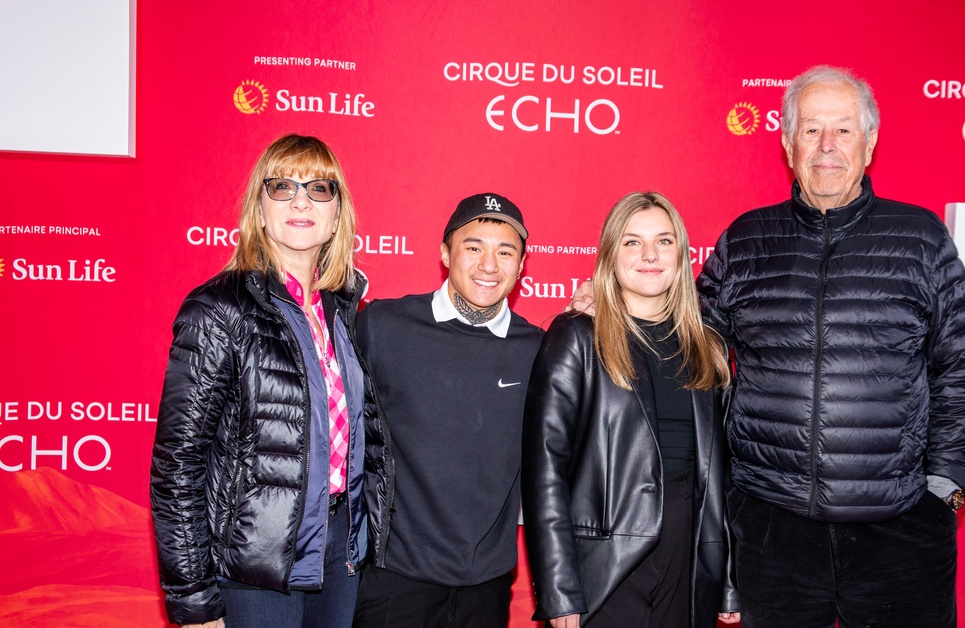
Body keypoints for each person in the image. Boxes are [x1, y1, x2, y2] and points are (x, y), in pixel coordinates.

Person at [694, 65, 965, 627]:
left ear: (869, 143)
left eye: (844, 130)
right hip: (773, 526)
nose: (827, 145)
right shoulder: (746, 240)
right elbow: (691, 341)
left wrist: (943, 488)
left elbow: (959, 366)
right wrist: (611, 302)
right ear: (788, 144)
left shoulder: (921, 239)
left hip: (900, 525)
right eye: (811, 129)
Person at [150, 134, 392, 628]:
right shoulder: (218, 309)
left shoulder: (343, 309)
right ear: (259, 211)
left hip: (339, 553)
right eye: (282, 186)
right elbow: (178, 465)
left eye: (319, 188)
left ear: (336, 215)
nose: (301, 201)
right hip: (253, 564)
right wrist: (193, 598)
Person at [524, 192, 741, 628]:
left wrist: (728, 581)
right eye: (632, 242)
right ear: (610, 254)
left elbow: (725, 475)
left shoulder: (709, 347)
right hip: (604, 562)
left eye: (664, 241)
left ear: (681, 253)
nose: (649, 255)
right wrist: (559, 588)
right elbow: (544, 471)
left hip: (688, 558)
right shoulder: (576, 336)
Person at [352, 193, 544, 628]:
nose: (488, 265)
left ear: (521, 264)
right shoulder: (382, 325)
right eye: (473, 247)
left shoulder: (538, 349)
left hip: (489, 586)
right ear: (445, 253)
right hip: (394, 580)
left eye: (505, 251)